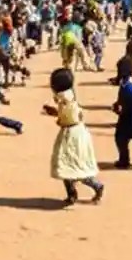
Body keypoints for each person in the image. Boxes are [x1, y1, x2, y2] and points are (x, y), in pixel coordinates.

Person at [43, 68, 104, 205]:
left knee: (73, 167)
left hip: (72, 135)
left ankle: (95, 187)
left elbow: (64, 117)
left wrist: (53, 112)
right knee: (66, 166)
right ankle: (72, 195)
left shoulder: (64, 98)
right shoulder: (69, 95)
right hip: (75, 132)